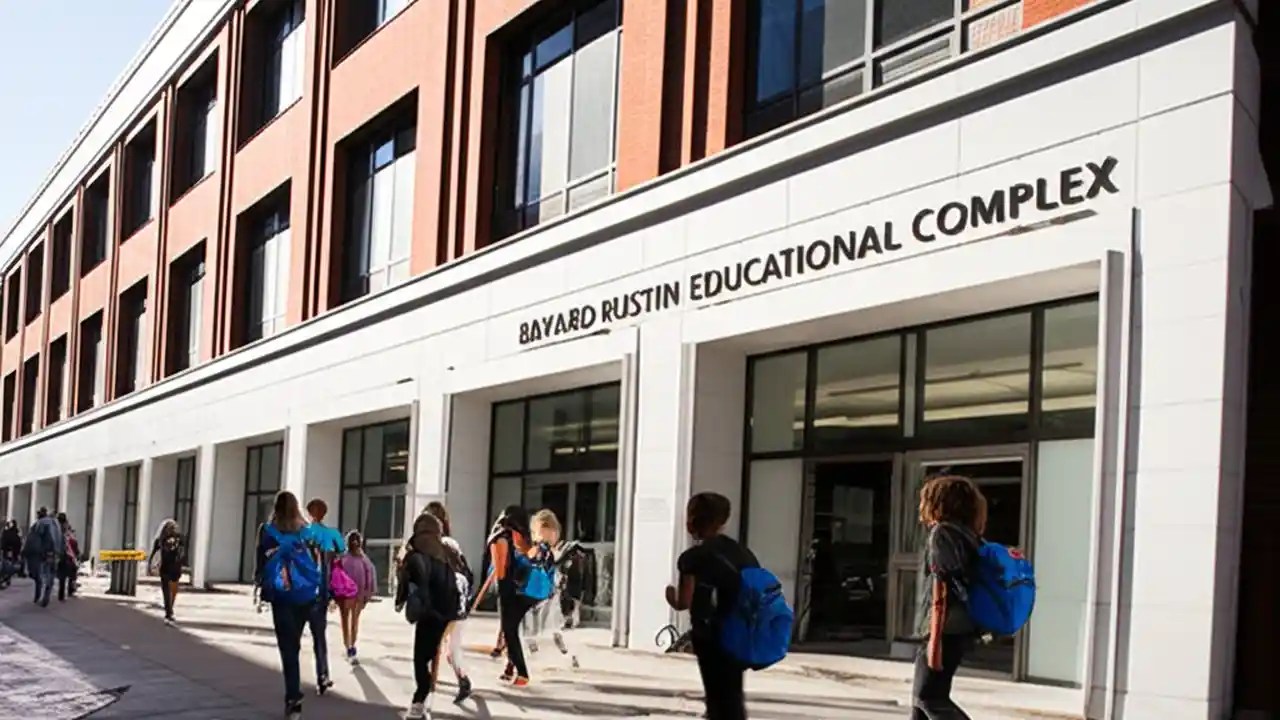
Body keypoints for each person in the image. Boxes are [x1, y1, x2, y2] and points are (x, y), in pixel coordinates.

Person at [666, 492, 757, 720]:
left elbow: (683, 602)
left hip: (710, 635)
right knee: (733, 694)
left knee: (716, 695)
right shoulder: (743, 553)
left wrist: (670, 595)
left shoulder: (693, 557)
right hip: (742, 632)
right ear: (723, 520)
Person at [911, 475, 985, 720]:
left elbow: (941, 593)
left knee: (929, 698)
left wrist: (934, 642)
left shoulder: (941, 535)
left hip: (943, 630)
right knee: (919, 705)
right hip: (958, 629)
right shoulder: (967, 536)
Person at [255, 490, 314, 720]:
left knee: (287, 646)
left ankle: (293, 696)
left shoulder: (268, 531)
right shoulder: (305, 530)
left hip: (281, 594)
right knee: (294, 642)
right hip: (305, 594)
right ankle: (293, 691)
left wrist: (260, 583)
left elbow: (261, 560)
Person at [395, 511, 458, 720]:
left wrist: (400, 600)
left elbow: (406, 581)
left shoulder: (415, 552)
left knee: (420, 658)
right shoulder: (447, 552)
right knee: (432, 653)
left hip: (427, 612)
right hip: (446, 610)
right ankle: (425, 698)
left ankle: (419, 701)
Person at [425, 501, 474, 703]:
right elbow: (468, 574)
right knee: (452, 648)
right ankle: (463, 681)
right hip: (459, 602)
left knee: (433, 646)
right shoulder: (453, 544)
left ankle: (428, 694)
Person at [300, 498, 345, 695]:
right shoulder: (331, 535)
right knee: (319, 638)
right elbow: (338, 562)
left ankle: (294, 680)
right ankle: (323, 676)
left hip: (303, 595)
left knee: (295, 638)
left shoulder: (302, 534)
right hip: (321, 594)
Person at [488, 506, 536, 687]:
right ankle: (510, 668)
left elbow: (500, 572)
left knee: (509, 631)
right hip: (527, 591)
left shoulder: (501, 537)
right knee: (511, 630)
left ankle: (522, 674)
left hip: (508, 590)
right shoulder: (523, 537)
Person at [336, 530, 376, 665]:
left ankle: (350, 646)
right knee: (350, 621)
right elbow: (370, 578)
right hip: (349, 595)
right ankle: (349, 646)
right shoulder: (357, 560)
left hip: (352, 595)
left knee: (350, 621)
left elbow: (370, 578)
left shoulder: (357, 559)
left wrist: (367, 594)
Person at [23, 507, 63, 608]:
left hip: (43, 553)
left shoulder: (40, 524)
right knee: (50, 575)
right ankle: (45, 596)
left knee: (40, 576)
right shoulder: (56, 524)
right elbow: (60, 540)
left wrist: (27, 552)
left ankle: (38, 596)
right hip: (54, 553)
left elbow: (33, 540)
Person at [150, 519, 187, 624]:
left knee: (168, 591)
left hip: (169, 568)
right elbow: (155, 554)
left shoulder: (178, 539)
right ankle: (169, 611)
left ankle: (169, 610)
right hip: (171, 568)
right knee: (170, 591)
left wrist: (151, 566)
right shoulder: (163, 540)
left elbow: (154, 554)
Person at [56, 513, 80, 601]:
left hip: (60, 555)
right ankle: (70, 590)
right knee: (71, 574)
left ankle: (61, 594)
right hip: (68, 555)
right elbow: (74, 544)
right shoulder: (68, 534)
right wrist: (77, 554)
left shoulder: (55, 528)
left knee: (62, 576)